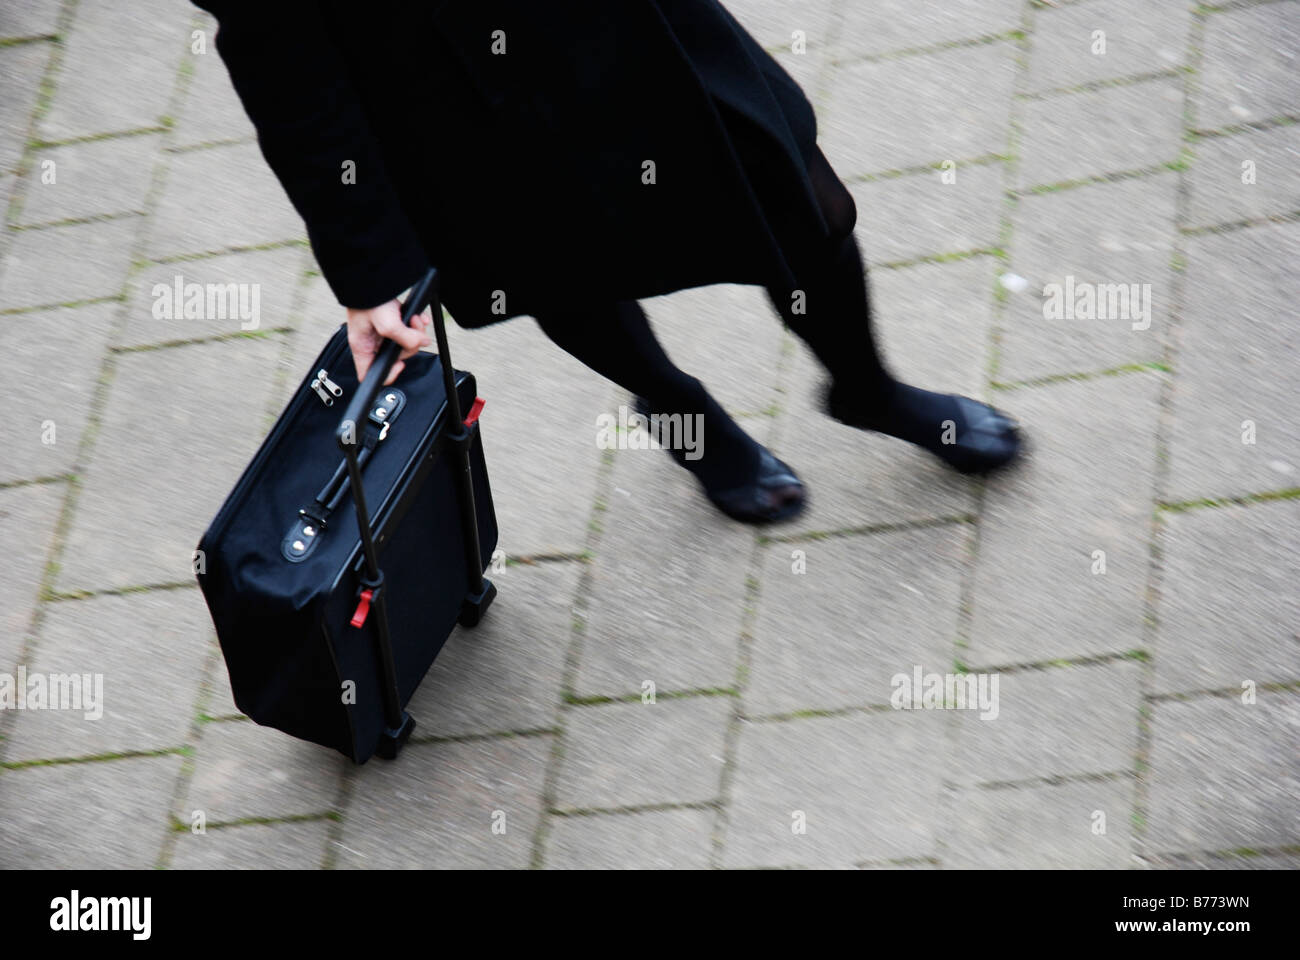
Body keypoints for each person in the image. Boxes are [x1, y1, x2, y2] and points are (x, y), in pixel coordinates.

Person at [196, 0, 1021, 524]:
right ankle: (675, 405)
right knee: (559, 267)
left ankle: (866, 388)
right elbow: (274, 46)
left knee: (796, 187)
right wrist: (370, 266)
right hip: (430, 82)